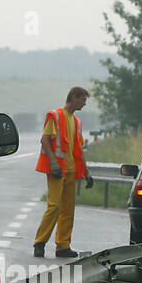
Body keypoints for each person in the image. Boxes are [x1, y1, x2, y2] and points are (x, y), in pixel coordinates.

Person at [33, 86, 94, 259]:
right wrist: (53, 162)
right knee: (54, 206)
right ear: (74, 97)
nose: (84, 104)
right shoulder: (56, 116)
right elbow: (44, 139)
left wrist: (87, 172)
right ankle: (40, 242)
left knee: (68, 210)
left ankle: (63, 246)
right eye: (82, 100)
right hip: (57, 170)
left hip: (71, 171)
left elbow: (79, 149)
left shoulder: (76, 122)